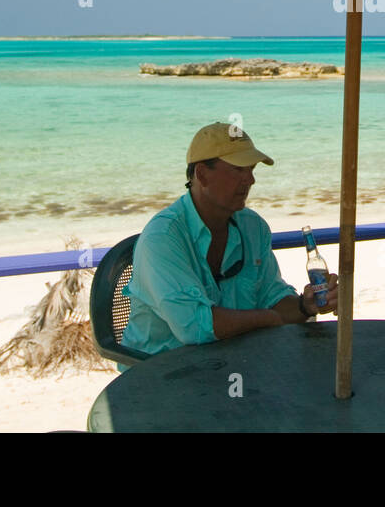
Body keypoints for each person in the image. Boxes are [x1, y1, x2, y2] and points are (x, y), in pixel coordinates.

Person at [121, 122, 337, 357]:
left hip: (230, 360)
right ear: (202, 175)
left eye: (251, 169)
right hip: (158, 369)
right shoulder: (162, 238)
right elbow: (194, 327)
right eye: (239, 170)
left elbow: (273, 298)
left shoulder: (253, 227)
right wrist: (268, 318)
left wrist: (305, 306)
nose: (250, 180)